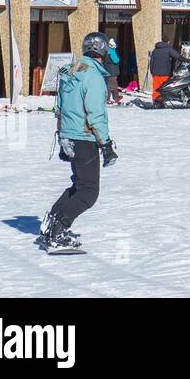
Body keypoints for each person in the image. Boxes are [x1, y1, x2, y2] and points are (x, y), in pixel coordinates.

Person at [39, 32, 118, 251]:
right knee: (88, 192)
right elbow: (95, 114)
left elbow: (60, 106)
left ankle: (52, 222)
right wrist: (106, 145)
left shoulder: (71, 71)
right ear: (102, 51)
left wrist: (64, 134)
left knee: (79, 185)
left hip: (69, 135)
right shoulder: (92, 76)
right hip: (84, 137)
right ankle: (57, 231)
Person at [148, 38, 181, 107]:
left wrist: (152, 72)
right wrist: (185, 60)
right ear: (168, 42)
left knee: (156, 88)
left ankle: (155, 101)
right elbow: (177, 56)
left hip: (155, 73)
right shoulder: (168, 49)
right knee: (164, 88)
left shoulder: (155, 50)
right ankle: (161, 101)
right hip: (165, 72)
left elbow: (151, 62)